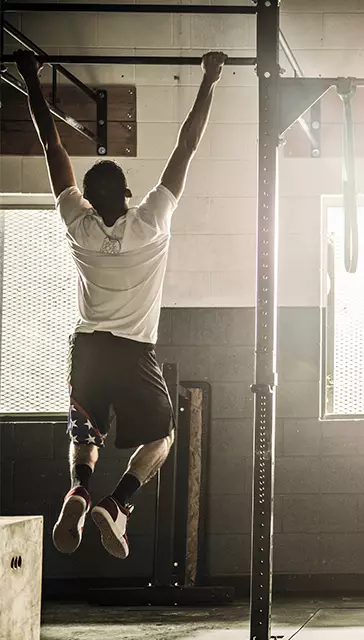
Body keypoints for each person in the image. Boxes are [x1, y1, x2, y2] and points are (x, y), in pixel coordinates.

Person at [13, 50, 227, 560]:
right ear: (128, 195)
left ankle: (80, 492)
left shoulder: (77, 225)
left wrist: (30, 79)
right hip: (135, 353)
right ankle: (117, 505)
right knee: (162, 438)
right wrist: (210, 79)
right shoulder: (150, 220)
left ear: (86, 198)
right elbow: (187, 145)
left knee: (84, 434)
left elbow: (51, 141)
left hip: (87, 350)